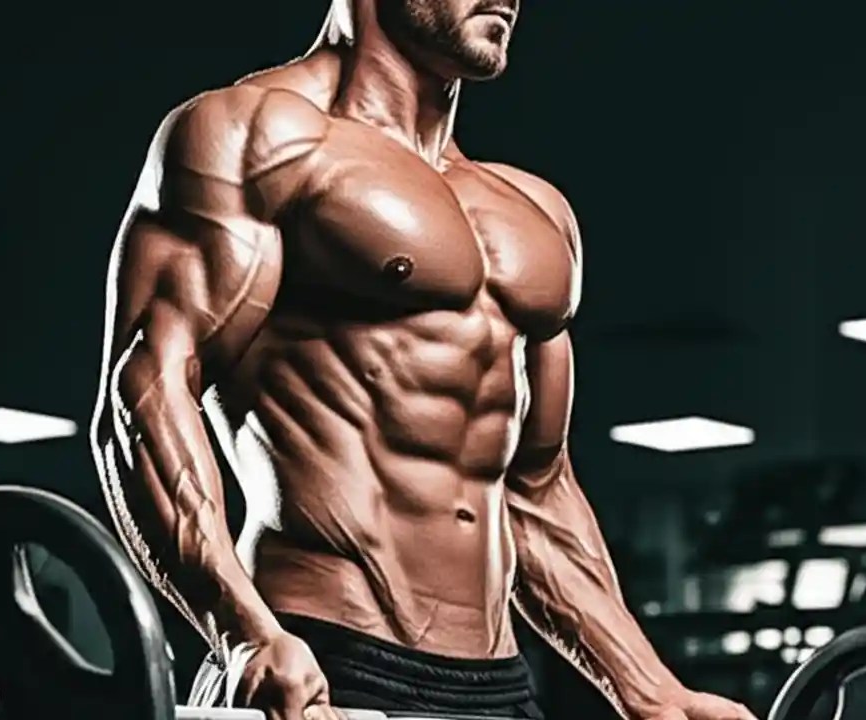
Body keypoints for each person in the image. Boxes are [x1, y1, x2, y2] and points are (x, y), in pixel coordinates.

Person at [89, 1, 757, 718]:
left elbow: (535, 490)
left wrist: (654, 693)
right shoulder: (257, 136)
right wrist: (243, 631)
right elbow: (146, 392)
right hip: (322, 668)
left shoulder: (536, 212)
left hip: (498, 687)